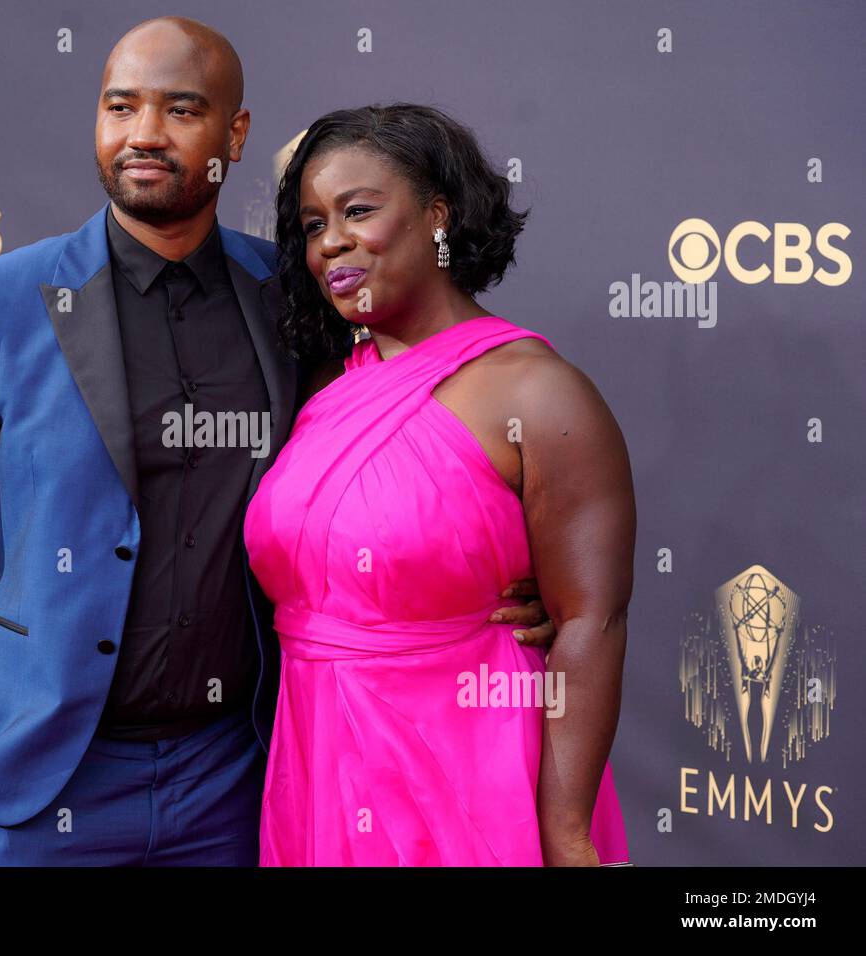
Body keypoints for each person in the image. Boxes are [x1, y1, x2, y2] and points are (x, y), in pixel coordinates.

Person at [0, 17, 553, 866]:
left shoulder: (294, 299)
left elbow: (403, 450)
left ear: (234, 135)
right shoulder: (6, 300)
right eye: (121, 107)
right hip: (44, 781)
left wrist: (515, 585)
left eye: (179, 110)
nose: (144, 134)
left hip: (237, 778)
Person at [244, 103, 633, 866]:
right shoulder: (325, 388)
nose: (333, 243)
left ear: (438, 215)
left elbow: (591, 620)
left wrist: (565, 831)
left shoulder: (537, 393)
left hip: (468, 762)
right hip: (314, 759)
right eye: (314, 225)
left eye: (359, 211)